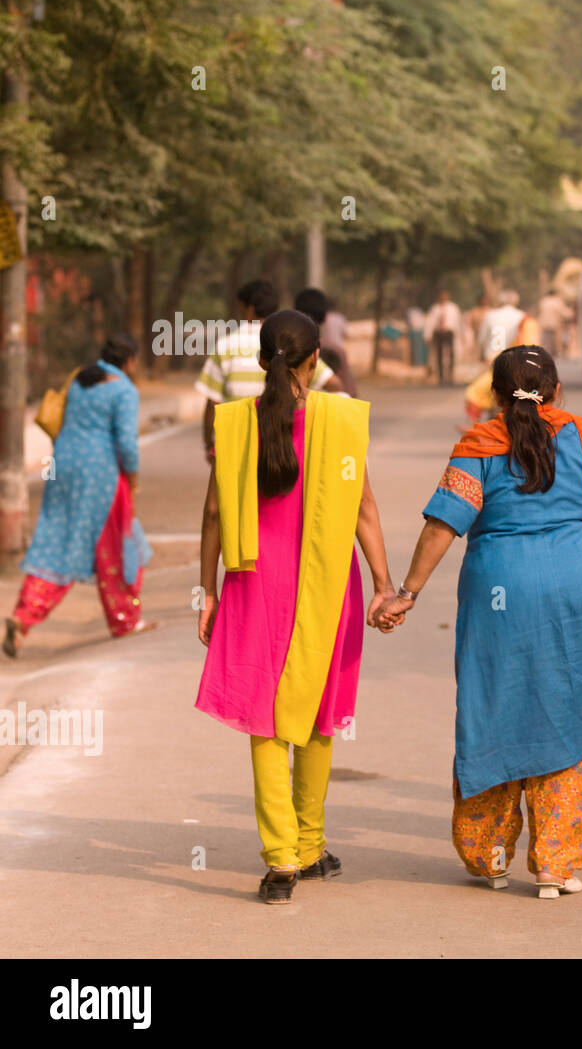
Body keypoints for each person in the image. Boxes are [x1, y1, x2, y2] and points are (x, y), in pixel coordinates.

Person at [376, 346, 582, 899]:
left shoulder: (478, 445)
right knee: (573, 714)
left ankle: (488, 856)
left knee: (495, 711)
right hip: (580, 593)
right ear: (557, 391)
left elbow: (443, 526)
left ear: (494, 394)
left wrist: (406, 592)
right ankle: (556, 863)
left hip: (499, 596)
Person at [195, 309, 396, 904]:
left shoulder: (236, 424)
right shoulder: (340, 421)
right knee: (315, 712)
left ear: (263, 360)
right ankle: (310, 847)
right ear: (315, 360)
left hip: (254, 582)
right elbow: (363, 509)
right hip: (328, 581)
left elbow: (212, 514)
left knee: (264, 716)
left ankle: (281, 858)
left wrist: (207, 593)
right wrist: (384, 585)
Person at [3, 334, 155, 657]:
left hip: (61, 469)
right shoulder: (124, 389)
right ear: (130, 361)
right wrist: (133, 477)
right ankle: (125, 619)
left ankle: (23, 616)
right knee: (120, 547)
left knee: (56, 544)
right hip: (101, 476)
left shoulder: (78, 379)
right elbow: (127, 444)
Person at [196, 280, 342, 462]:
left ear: (249, 309)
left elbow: (212, 402)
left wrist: (210, 444)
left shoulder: (226, 345)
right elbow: (335, 384)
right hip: (285, 446)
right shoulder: (290, 341)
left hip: (235, 443)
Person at [461, 291, 540, 431]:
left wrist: (481, 356)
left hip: (493, 363)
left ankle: (472, 425)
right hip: (516, 365)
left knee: (474, 392)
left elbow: (482, 339)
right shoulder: (522, 317)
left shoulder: (491, 315)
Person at [295, 288, 359, 397]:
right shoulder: (337, 350)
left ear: (294, 314)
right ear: (325, 318)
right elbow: (351, 392)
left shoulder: (289, 347)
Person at [423, 289, 461, 385]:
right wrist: (427, 335)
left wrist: (459, 334)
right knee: (439, 355)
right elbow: (430, 322)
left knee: (451, 354)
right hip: (438, 333)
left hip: (449, 332)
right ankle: (441, 377)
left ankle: (450, 375)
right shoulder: (435, 308)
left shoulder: (453, 308)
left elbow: (457, 321)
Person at [536, 287, 572, 359]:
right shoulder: (556, 301)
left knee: (546, 340)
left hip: (544, 323)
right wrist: (571, 313)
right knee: (554, 340)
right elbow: (563, 312)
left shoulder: (544, 301)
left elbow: (539, 311)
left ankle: (546, 354)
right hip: (554, 324)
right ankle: (553, 355)